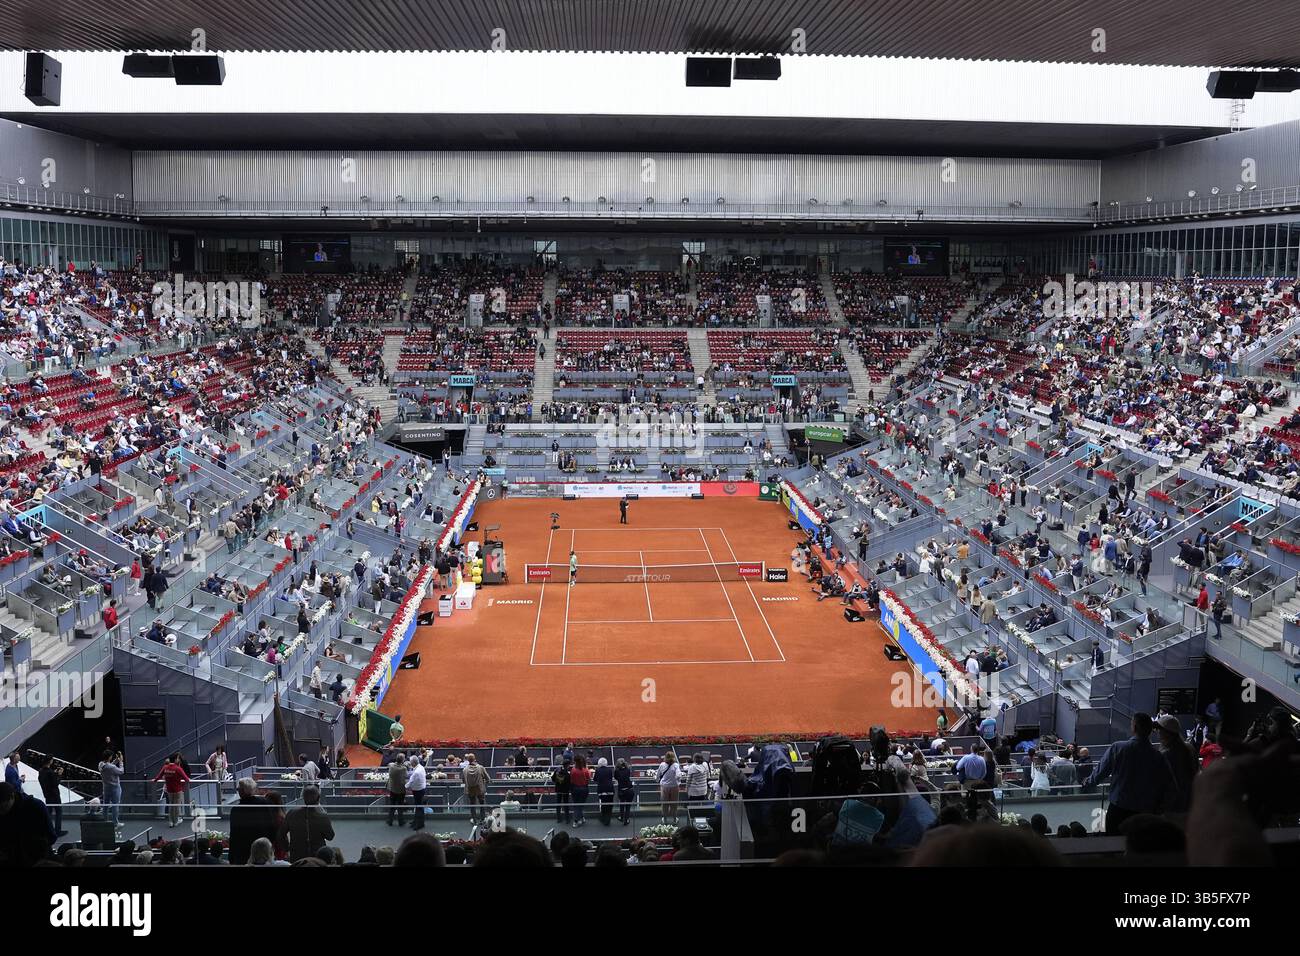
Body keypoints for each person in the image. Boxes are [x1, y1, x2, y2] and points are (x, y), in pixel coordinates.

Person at [1082, 712, 1176, 834]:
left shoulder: (1118, 748)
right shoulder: (1158, 756)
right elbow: (1166, 784)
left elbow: (1100, 773)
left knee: (1114, 843)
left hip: (1119, 809)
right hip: (1145, 811)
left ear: (1134, 727)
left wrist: (1087, 782)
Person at [278, 784, 335, 862]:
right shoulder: (323, 817)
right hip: (317, 858)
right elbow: (330, 836)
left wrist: (287, 848)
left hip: (296, 857)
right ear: (318, 798)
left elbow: (281, 834)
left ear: (303, 798)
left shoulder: (291, 813)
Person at [153, 753, 191, 828]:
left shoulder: (165, 767)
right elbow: (186, 779)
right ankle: (176, 821)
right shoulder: (178, 768)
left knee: (170, 805)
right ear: (175, 759)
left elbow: (158, 776)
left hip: (169, 789)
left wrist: (154, 780)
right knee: (176, 806)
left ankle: (170, 822)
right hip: (177, 790)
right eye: (177, 758)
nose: (178, 759)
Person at [98, 749, 124, 829]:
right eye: (111, 756)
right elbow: (121, 771)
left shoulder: (101, 764)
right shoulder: (111, 767)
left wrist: (116, 760)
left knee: (105, 806)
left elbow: (109, 766)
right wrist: (121, 762)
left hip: (106, 787)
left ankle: (105, 821)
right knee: (115, 805)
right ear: (109, 757)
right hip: (115, 788)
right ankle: (115, 823)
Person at [463, 753, 490, 825]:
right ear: (475, 759)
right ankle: (483, 819)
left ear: (468, 760)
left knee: (472, 804)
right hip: (480, 790)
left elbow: (463, 781)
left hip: (470, 790)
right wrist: (485, 782)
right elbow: (488, 779)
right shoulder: (481, 767)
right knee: (482, 804)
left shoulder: (465, 769)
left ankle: (474, 820)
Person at [657, 751, 681, 824]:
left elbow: (658, 775)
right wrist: (677, 780)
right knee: (674, 804)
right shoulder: (676, 765)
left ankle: (665, 820)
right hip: (674, 787)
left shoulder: (662, 764)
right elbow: (678, 775)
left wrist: (657, 780)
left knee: (664, 804)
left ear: (665, 757)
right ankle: (674, 820)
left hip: (664, 787)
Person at [569, 754, 592, 827]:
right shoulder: (586, 770)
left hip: (575, 789)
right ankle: (580, 818)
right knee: (580, 805)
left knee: (577, 805)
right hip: (584, 789)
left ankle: (576, 820)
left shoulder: (573, 770)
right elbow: (589, 780)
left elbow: (571, 781)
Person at [386, 753, 408, 826]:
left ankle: (390, 820)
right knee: (400, 806)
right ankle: (400, 821)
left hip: (392, 789)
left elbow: (390, 765)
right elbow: (406, 776)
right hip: (401, 790)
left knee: (392, 805)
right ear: (402, 760)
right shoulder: (403, 768)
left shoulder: (391, 766)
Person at [594, 757, 616, 826]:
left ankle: (604, 819)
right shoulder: (609, 770)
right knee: (609, 805)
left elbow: (595, 779)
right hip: (610, 789)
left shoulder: (598, 770)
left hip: (602, 790)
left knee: (604, 804)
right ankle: (608, 819)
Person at [407, 756, 427, 829]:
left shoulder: (416, 772)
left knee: (419, 807)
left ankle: (419, 824)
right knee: (418, 806)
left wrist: (404, 787)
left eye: (410, 762)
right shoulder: (421, 767)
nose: (410, 763)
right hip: (421, 789)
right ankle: (416, 821)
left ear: (413, 763)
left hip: (418, 791)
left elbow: (410, 782)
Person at [551, 759, 573, 824]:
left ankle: (558, 818)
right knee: (566, 804)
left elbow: (553, 779)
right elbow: (569, 782)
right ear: (567, 765)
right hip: (565, 791)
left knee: (558, 804)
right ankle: (567, 819)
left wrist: (557, 783)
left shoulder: (557, 770)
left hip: (558, 790)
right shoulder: (567, 773)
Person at [614, 758, 636, 825]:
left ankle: (621, 817)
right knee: (628, 806)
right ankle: (626, 820)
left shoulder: (616, 771)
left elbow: (616, 778)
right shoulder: (628, 770)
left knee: (622, 804)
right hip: (629, 790)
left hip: (621, 790)